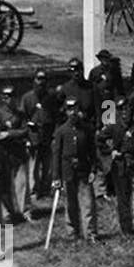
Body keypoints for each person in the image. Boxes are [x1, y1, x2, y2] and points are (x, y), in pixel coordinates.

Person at [101, 99, 134, 235]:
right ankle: (127, 231)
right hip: (120, 166)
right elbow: (99, 139)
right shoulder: (113, 126)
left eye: (127, 109)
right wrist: (110, 151)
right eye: (121, 109)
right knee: (123, 201)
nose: (124, 113)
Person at [51, 101, 100, 243]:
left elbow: (92, 152)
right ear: (66, 111)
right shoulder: (61, 131)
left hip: (84, 171)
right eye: (70, 109)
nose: (73, 112)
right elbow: (56, 155)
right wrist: (56, 176)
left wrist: (93, 169)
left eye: (75, 109)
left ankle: (90, 234)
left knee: (88, 204)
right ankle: (72, 234)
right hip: (67, 172)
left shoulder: (86, 129)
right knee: (70, 205)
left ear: (79, 110)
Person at [19, 69, 59, 197]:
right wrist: (26, 135)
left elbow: (57, 116)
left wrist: (55, 134)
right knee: (34, 164)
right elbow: (22, 117)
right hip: (33, 134)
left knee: (47, 163)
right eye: (39, 78)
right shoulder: (27, 98)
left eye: (44, 79)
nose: (41, 82)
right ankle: (34, 189)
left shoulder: (52, 97)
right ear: (34, 80)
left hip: (48, 133)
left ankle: (46, 188)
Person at [0, 86, 33, 222]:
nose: (9, 100)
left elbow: (25, 131)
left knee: (22, 184)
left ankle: (25, 211)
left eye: (12, 96)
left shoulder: (21, 115)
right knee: (4, 185)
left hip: (19, 152)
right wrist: (10, 134)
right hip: (5, 153)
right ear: (3, 98)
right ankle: (7, 213)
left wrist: (9, 134)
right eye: (6, 97)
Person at [59, 57, 97, 123]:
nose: (76, 73)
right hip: (71, 125)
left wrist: (98, 126)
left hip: (88, 124)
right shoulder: (66, 88)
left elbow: (98, 108)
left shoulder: (91, 87)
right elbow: (59, 108)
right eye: (73, 71)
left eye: (78, 70)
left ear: (82, 70)